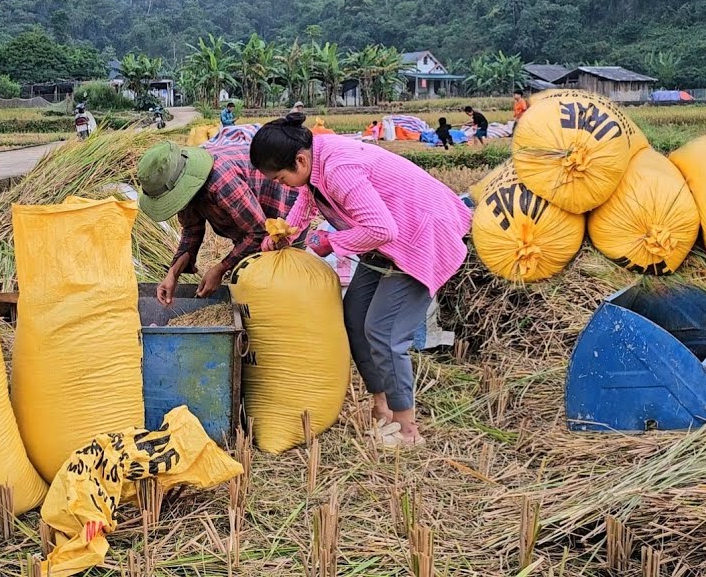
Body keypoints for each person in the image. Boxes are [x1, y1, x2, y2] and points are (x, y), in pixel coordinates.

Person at [250, 112, 471, 447]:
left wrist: (330, 243)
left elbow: (381, 229)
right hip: (383, 244)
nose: (282, 186)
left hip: (419, 239)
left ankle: (407, 428)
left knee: (384, 333)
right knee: (353, 318)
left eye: (281, 179)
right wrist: (286, 233)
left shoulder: (339, 168)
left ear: (299, 159)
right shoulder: (315, 159)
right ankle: (382, 406)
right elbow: (309, 201)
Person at [138, 141, 297, 306]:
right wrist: (173, 273)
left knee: (280, 279)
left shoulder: (220, 181)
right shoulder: (181, 181)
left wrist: (220, 269)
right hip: (251, 219)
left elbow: (258, 231)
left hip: (281, 205)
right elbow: (192, 228)